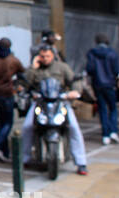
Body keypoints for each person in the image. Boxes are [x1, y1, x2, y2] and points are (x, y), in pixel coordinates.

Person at [17, 43, 88, 174]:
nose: (45, 59)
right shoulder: (35, 68)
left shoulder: (62, 67)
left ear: (53, 56)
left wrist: (75, 92)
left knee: (73, 128)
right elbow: (24, 83)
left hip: (60, 102)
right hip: (40, 103)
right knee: (27, 127)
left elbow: (73, 80)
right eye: (42, 56)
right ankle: (24, 159)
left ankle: (81, 162)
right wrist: (33, 68)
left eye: (47, 56)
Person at [0, 37, 23, 162]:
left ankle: (4, 152)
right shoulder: (13, 60)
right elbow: (23, 73)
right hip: (6, 95)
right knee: (7, 123)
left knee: (2, 123)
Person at [85, 33, 119, 145]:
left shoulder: (92, 53)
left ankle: (105, 134)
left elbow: (90, 69)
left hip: (97, 84)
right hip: (110, 85)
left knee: (102, 109)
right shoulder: (112, 53)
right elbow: (116, 71)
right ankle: (113, 131)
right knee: (113, 108)